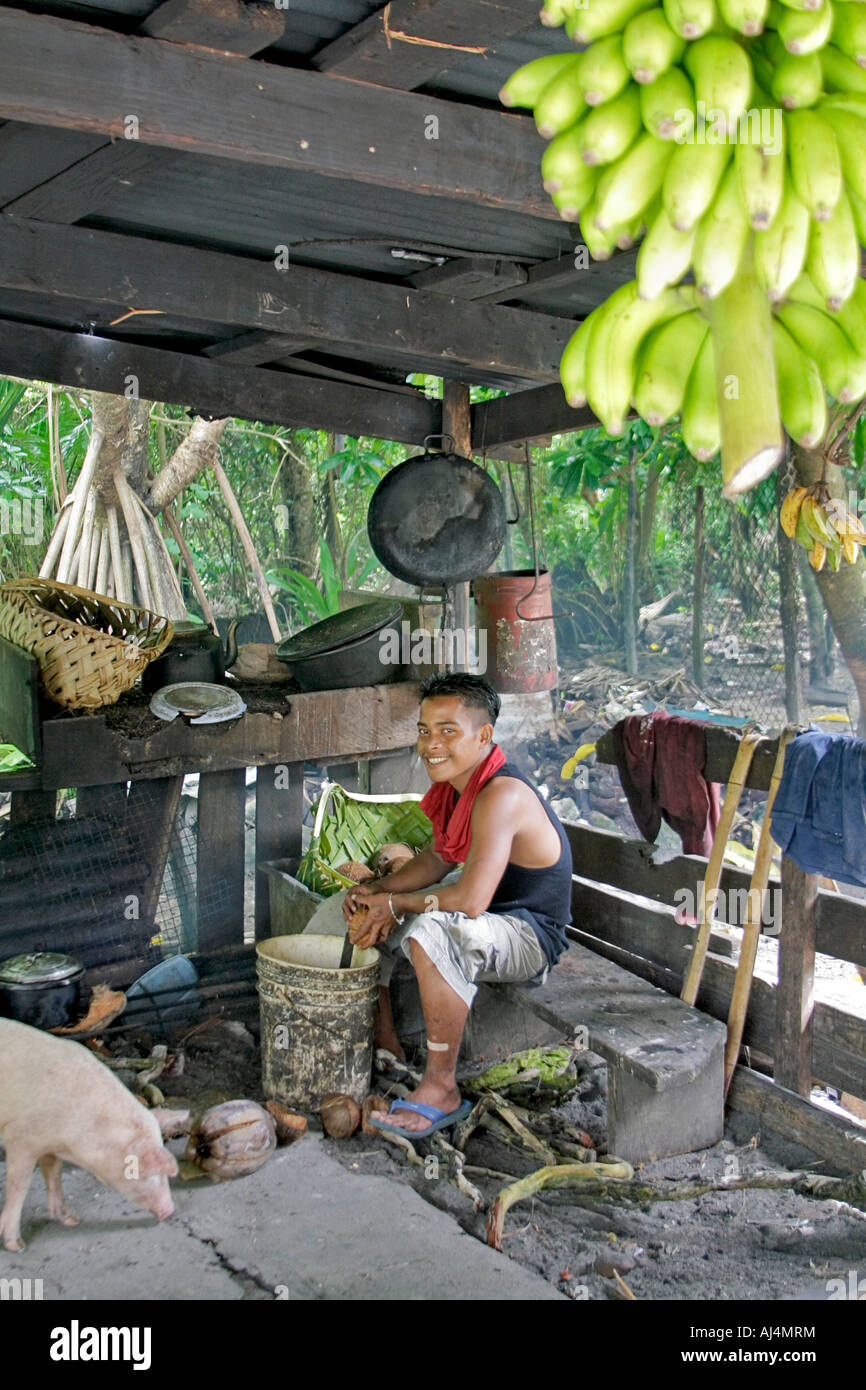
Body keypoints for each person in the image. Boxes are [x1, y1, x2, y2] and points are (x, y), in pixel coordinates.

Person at [343, 672, 572, 1138]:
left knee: (431, 929)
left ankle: (441, 1086)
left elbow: (469, 901)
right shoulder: (457, 787)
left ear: (484, 735)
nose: (431, 744)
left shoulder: (502, 794)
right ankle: (385, 1040)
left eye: (448, 730)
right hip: (486, 922)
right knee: (354, 910)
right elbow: (434, 860)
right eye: (425, 730)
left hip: (527, 935)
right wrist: (377, 897)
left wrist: (397, 903)